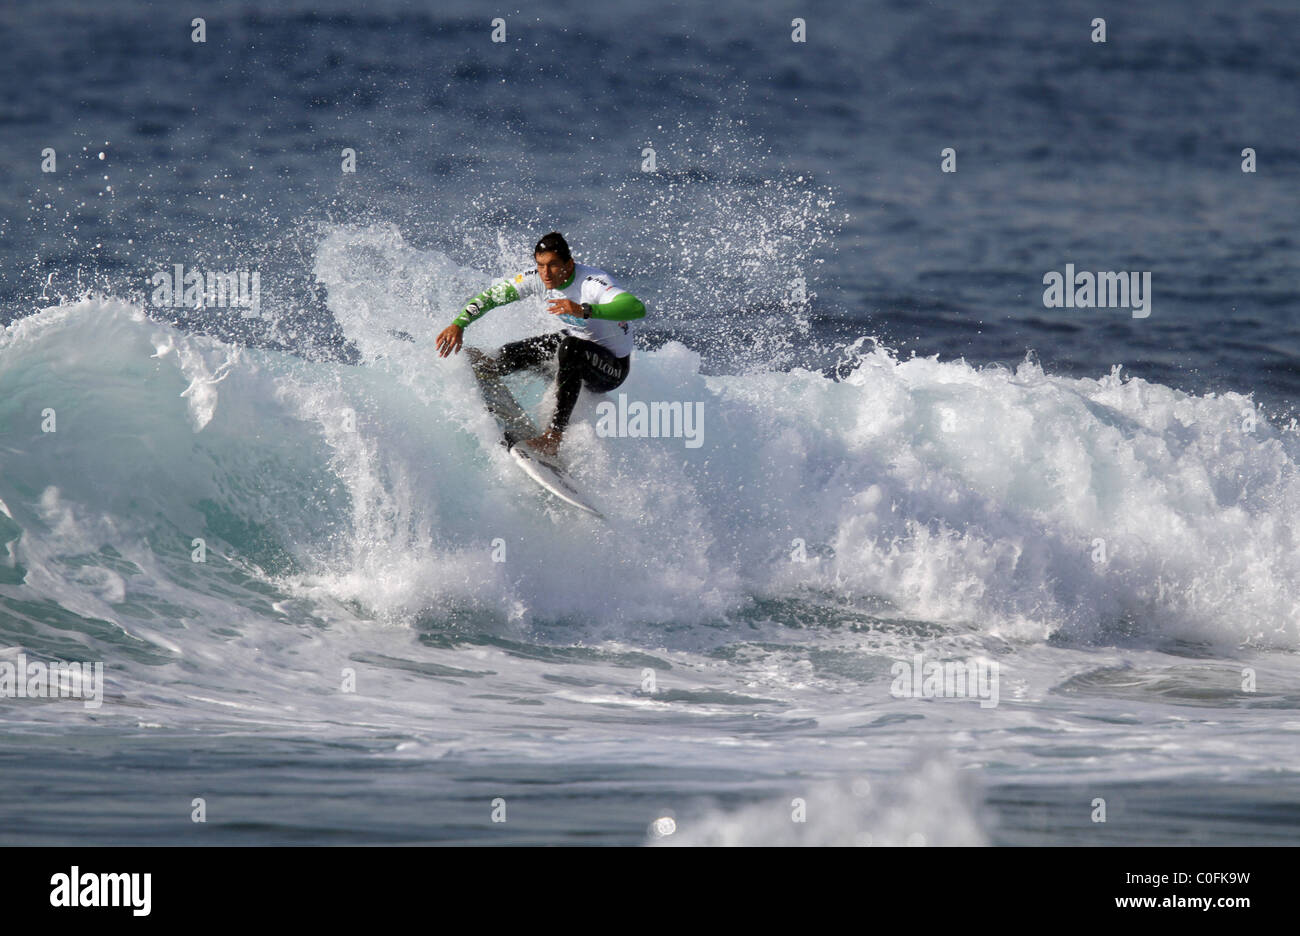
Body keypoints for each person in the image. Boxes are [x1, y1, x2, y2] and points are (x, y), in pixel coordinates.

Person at [436, 232, 646, 457]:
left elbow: (636, 308)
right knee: (529, 348)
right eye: (541, 265)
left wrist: (584, 309)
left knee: (570, 347)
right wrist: (459, 324)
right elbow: (491, 297)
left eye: (553, 265)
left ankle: (553, 438)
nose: (546, 273)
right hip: (576, 342)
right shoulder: (537, 278)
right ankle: (492, 366)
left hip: (612, 368)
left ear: (569, 264)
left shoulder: (592, 283)